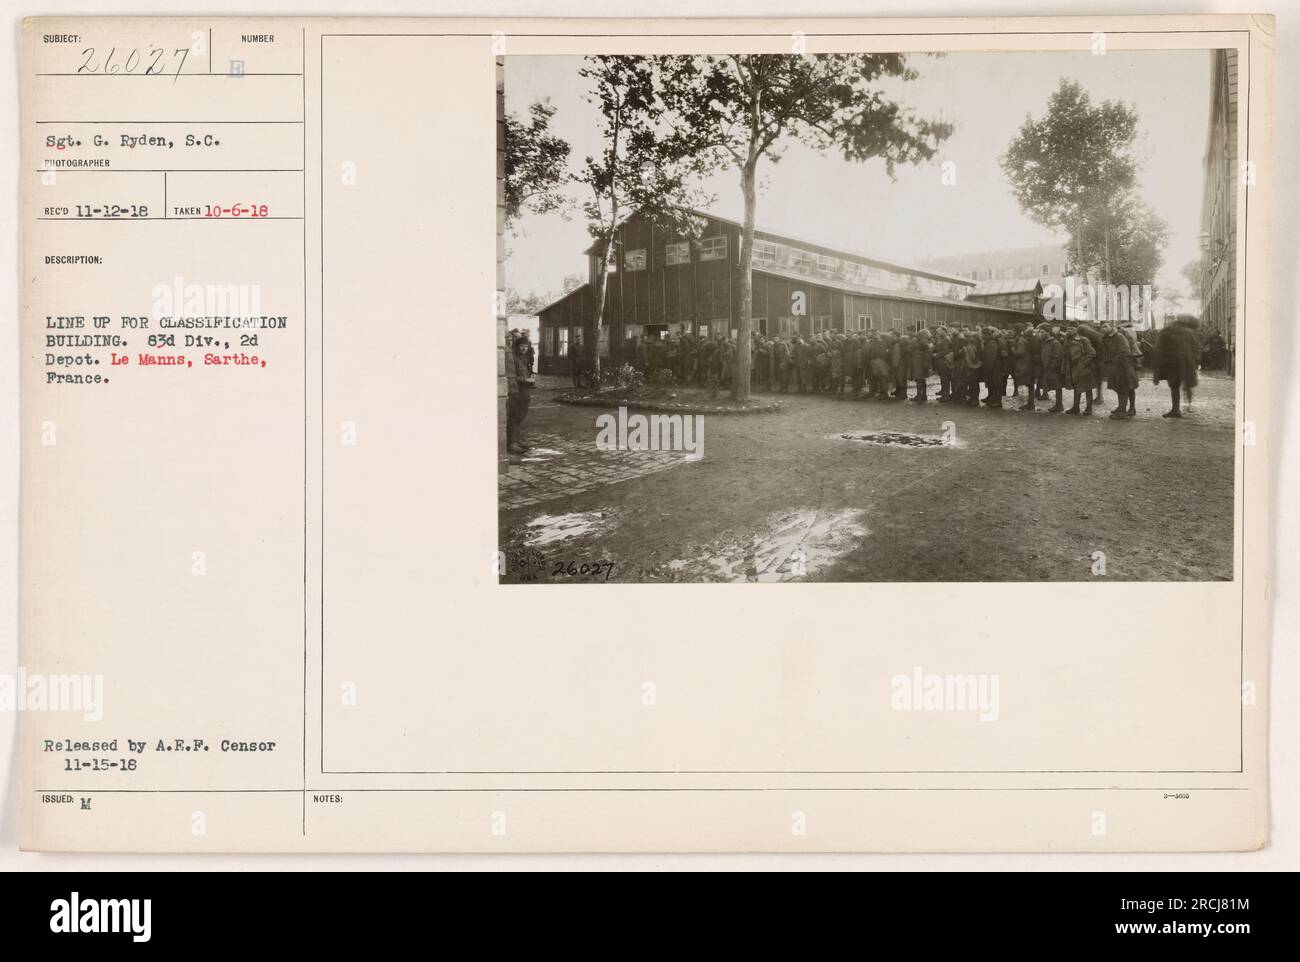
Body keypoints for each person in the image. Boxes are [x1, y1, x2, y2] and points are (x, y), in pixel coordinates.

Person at [1153, 317, 1201, 418]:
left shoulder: (1167, 332)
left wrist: (1157, 366)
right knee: (1185, 384)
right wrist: (1195, 360)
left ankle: (1176, 409)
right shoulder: (1189, 332)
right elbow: (1196, 347)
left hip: (1172, 364)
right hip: (1185, 363)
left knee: (1174, 387)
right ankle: (1186, 405)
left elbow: (1159, 349)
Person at [1100, 321, 1139, 419]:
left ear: (1111, 327)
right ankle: (1126, 408)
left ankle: (1123, 411)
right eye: (1101, 327)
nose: (1103, 328)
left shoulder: (1119, 336)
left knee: (1124, 388)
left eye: (1105, 326)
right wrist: (1107, 359)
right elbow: (1105, 351)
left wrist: (1112, 360)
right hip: (1115, 366)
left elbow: (1124, 351)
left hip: (1125, 365)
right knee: (1121, 388)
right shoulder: (1105, 338)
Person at [505, 333, 535, 456]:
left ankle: (518, 441)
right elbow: (512, 376)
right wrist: (525, 380)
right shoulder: (512, 358)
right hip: (518, 391)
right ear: (517, 347)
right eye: (521, 346)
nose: (524, 348)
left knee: (521, 416)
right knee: (515, 417)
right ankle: (513, 443)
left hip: (525, 391)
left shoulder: (524, 358)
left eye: (526, 346)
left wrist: (529, 378)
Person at [1064, 326, 1096, 415]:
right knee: (1076, 388)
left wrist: (1083, 363)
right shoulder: (1068, 340)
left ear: (1076, 330)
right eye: (1068, 329)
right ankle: (1075, 407)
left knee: (1088, 388)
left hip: (1083, 368)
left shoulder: (1084, 340)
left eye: (1071, 328)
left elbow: (1092, 353)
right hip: (1073, 368)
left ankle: (1089, 408)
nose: (1069, 330)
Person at [1040, 326, 1065, 412]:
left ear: (1047, 333)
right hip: (1047, 368)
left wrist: (1052, 367)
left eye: (1042, 332)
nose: (1040, 334)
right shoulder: (1045, 342)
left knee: (1058, 387)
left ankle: (1059, 405)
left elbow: (1057, 357)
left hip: (1054, 369)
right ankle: (1058, 404)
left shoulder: (1055, 343)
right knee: (1053, 385)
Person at [1012, 322, 1036, 410]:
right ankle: (1030, 403)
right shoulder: (1028, 338)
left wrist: (1013, 351)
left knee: (1027, 384)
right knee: (1030, 385)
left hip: (1024, 365)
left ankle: (1030, 404)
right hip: (1030, 364)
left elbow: (1020, 352)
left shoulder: (1021, 340)